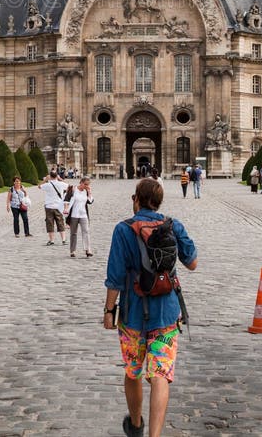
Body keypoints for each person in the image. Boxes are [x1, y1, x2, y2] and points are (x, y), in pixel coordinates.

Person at [104, 178, 197, 437]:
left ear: (136, 199)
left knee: (133, 371)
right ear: (159, 202)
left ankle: (135, 424)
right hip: (166, 312)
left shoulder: (123, 230)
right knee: (160, 375)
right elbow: (193, 263)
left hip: (133, 313)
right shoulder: (173, 225)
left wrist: (109, 311)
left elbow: (114, 277)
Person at [66, 175, 94, 258]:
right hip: (74, 214)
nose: (87, 186)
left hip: (83, 214)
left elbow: (90, 201)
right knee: (73, 233)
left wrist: (89, 192)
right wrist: (66, 210)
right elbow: (66, 199)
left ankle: (87, 250)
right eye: (85, 184)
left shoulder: (86, 191)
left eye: (88, 184)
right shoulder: (73, 189)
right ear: (81, 183)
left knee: (86, 231)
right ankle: (73, 251)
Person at [39, 170, 67, 246]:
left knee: (50, 223)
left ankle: (52, 240)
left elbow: (39, 186)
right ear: (57, 176)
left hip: (49, 206)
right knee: (60, 222)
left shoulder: (47, 184)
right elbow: (69, 186)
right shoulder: (61, 184)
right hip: (58, 206)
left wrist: (45, 180)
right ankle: (63, 240)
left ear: (50, 176)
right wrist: (60, 179)